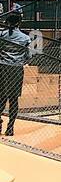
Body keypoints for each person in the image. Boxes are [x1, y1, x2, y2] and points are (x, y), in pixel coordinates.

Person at [0, 8, 31, 137]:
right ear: (19, 22)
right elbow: (28, 56)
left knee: (1, 97)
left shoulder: (2, 35)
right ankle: (10, 127)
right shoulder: (25, 38)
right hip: (16, 70)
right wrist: (20, 61)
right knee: (14, 99)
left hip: (2, 68)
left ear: (7, 22)